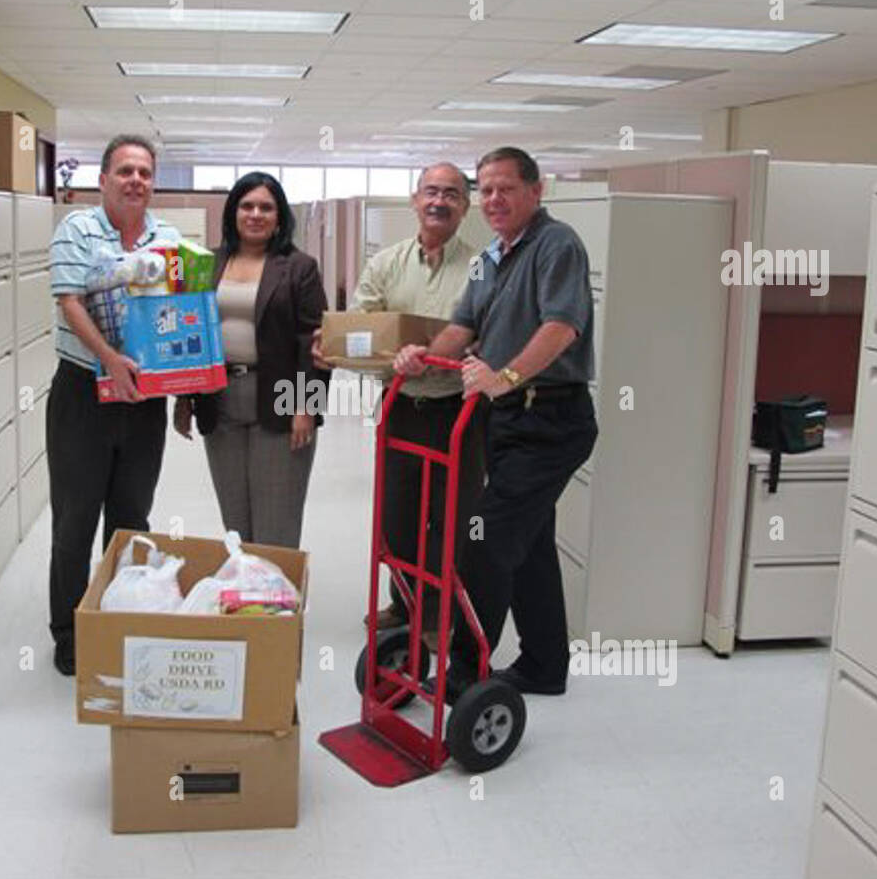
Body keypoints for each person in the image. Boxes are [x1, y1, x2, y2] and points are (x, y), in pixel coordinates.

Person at [395, 146, 598, 698]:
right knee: (529, 546)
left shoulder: (557, 244)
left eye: (506, 187)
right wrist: (420, 358)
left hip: (552, 420)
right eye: (485, 189)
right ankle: (544, 665)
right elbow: (463, 325)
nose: (494, 199)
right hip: (507, 421)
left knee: (484, 541)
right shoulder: (492, 256)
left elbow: (562, 327)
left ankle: (463, 672)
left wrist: (504, 376)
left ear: (537, 191)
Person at [311, 162, 485, 634]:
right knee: (398, 514)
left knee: (449, 517)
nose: (439, 202)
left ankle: (434, 613)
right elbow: (360, 322)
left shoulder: (482, 266)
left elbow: (489, 334)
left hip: (458, 410)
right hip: (401, 404)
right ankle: (404, 601)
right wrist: (333, 345)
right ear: (415, 199)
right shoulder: (386, 263)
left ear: (465, 207)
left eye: (451, 194)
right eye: (431, 191)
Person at [46, 135, 180, 675]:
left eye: (145, 172)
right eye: (125, 170)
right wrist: (110, 357)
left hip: (143, 400)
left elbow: (180, 309)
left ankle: (119, 618)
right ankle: (70, 634)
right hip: (84, 391)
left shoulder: (166, 236)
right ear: (103, 180)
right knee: (75, 519)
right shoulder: (77, 229)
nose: (135, 180)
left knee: (131, 518)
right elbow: (69, 298)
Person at [173, 172, 329, 548]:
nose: (255, 214)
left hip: (279, 397)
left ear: (279, 217)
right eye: (247, 205)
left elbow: (315, 342)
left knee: (277, 523)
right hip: (219, 397)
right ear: (233, 212)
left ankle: (276, 603)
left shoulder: (299, 267)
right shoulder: (207, 262)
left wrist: (304, 406)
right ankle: (246, 599)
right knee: (236, 522)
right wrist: (184, 398)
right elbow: (189, 336)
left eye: (266, 207)